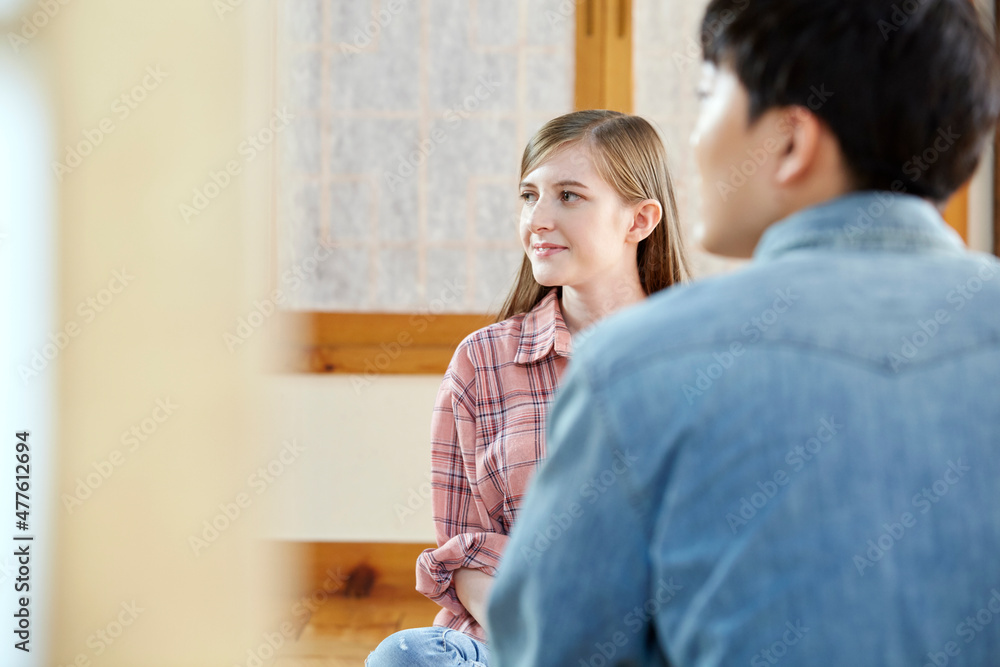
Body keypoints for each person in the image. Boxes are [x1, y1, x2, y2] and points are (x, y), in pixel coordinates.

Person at [487, 0, 1000, 665]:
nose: (695, 142)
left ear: (792, 143)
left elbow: (551, 651)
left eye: (705, 98)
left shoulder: (633, 366)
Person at [365, 109, 690, 666]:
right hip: (519, 645)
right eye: (528, 195)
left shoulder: (700, 358)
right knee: (407, 656)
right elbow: (468, 551)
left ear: (640, 219)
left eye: (568, 195)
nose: (537, 218)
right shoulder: (482, 361)